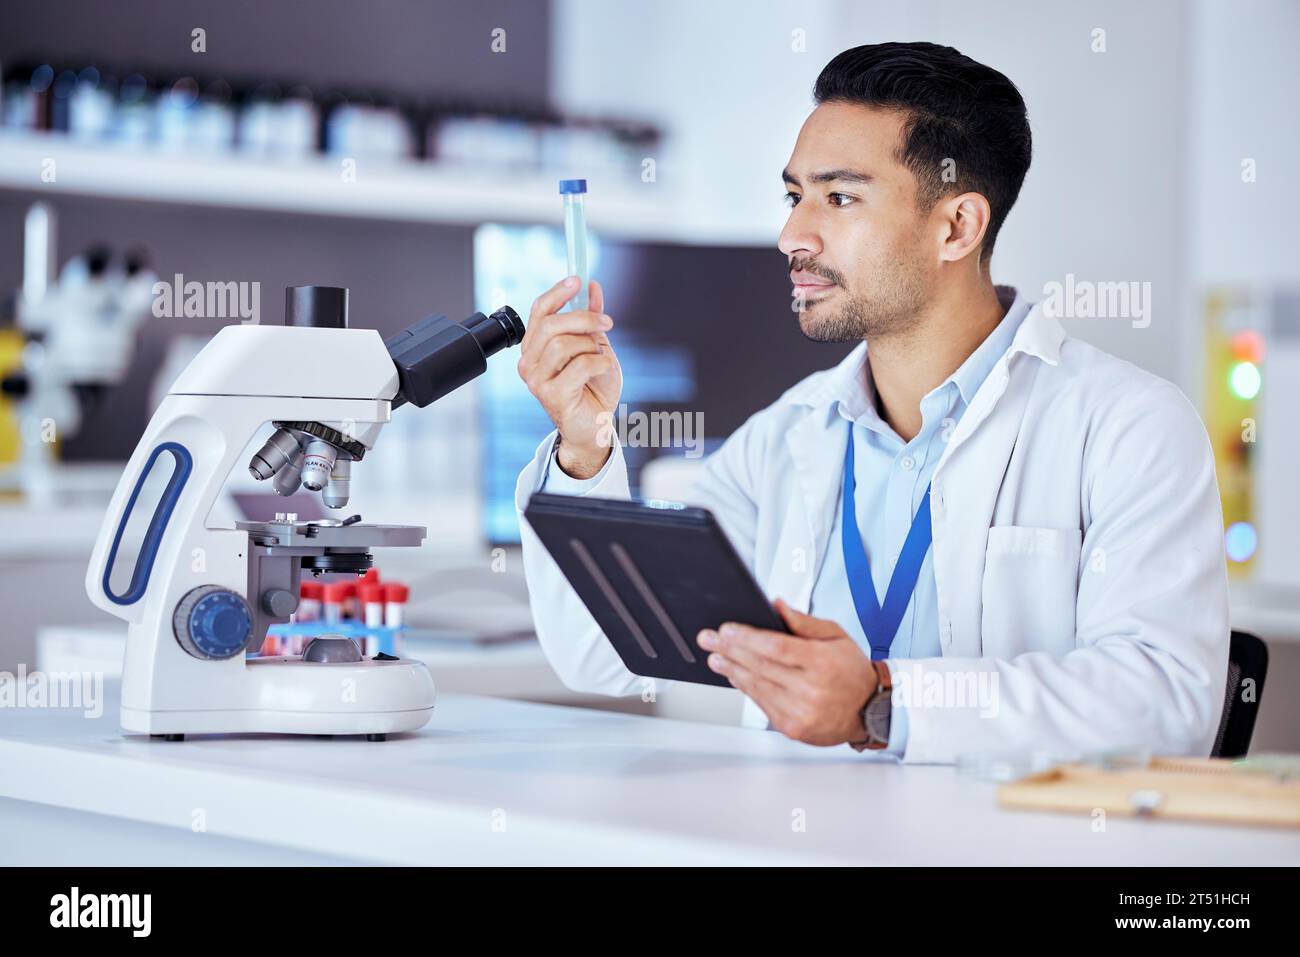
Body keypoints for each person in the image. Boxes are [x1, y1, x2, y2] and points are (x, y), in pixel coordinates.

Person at [512, 42, 1229, 763]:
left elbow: (1165, 702)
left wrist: (880, 703)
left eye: (840, 197)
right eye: (795, 196)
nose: (792, 235)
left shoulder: (1129, 427)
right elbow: (608, 654)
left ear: (957, 227)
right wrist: (584, 446)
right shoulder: (784, 438)